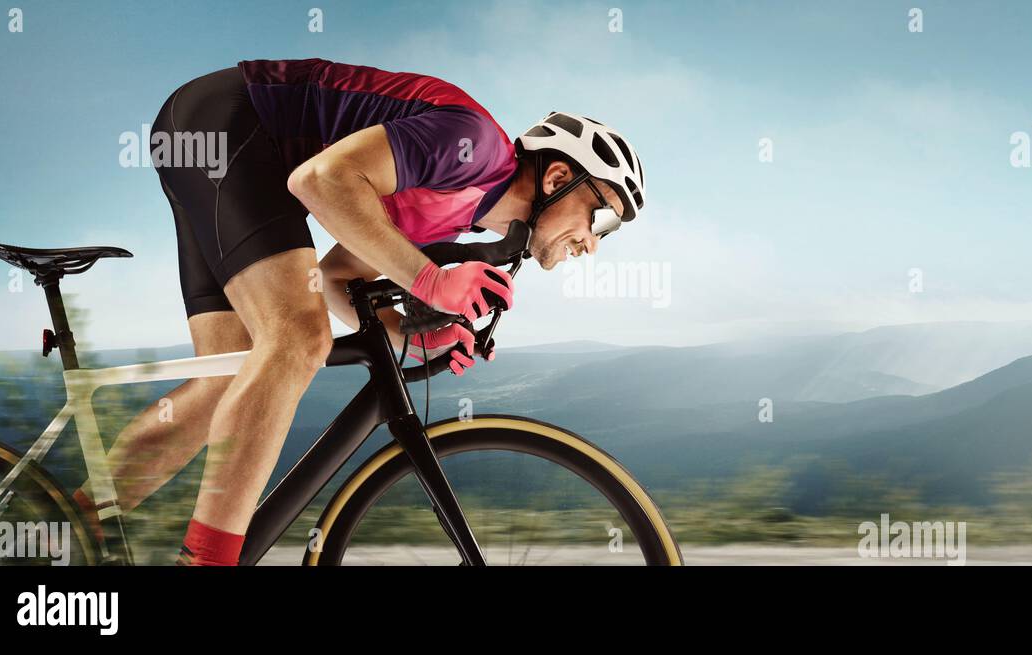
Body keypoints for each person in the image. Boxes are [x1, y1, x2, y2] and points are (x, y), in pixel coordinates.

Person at [69, 59, 645, 565]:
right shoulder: (473, 144)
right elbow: (320, 180)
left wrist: (411, 337)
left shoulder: (456, 211)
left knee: (228, 378)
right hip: (230, 122)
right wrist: (432, 281)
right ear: (558, 176)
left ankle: (63, 530)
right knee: (295, 338)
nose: (594, 242)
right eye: (603, 218)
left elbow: (336, 279)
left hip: (212, 132)